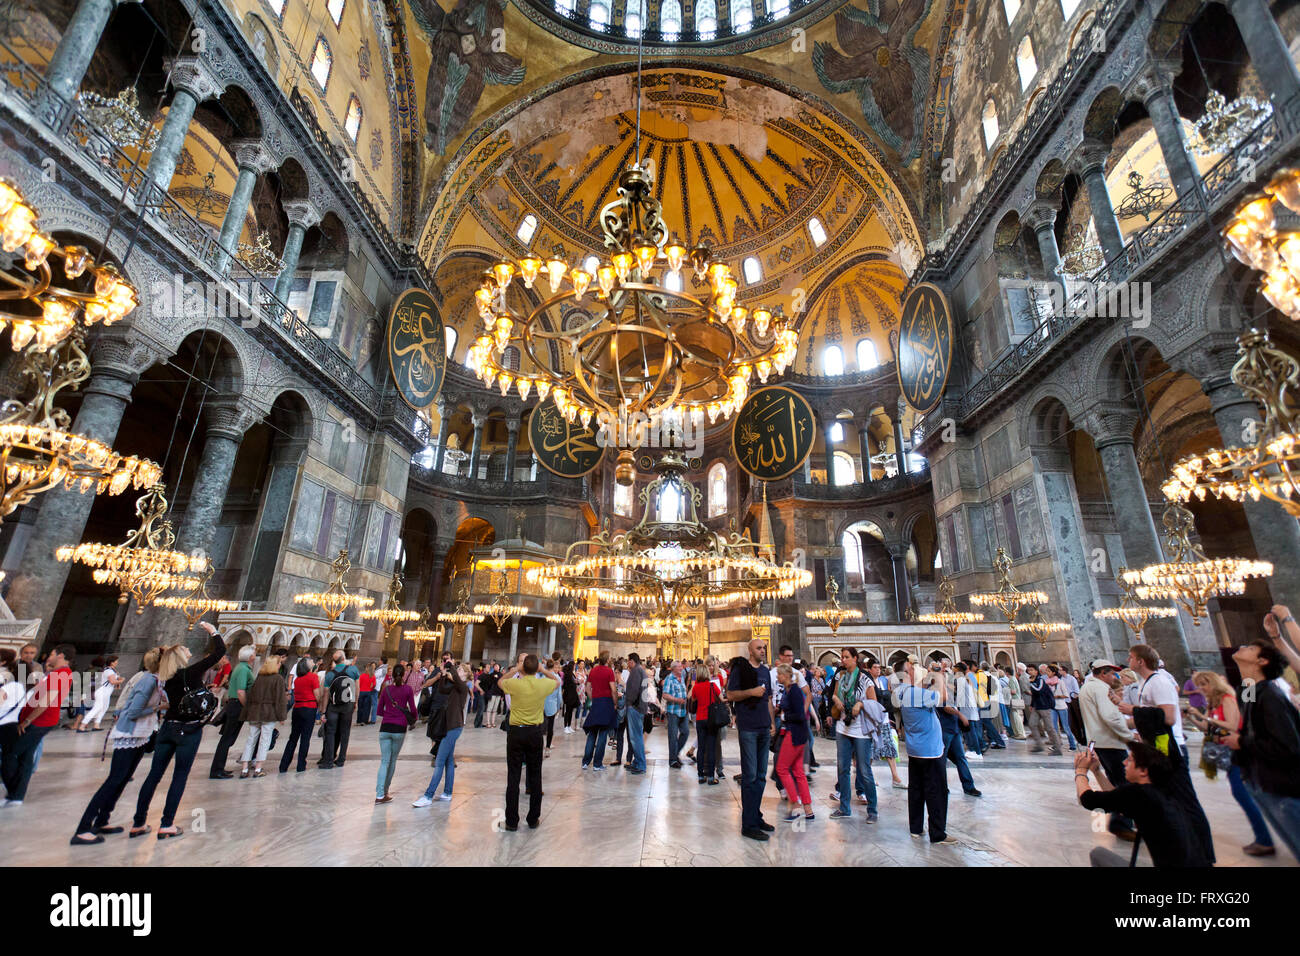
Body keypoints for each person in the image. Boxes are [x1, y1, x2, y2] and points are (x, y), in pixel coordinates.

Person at [1116, 643, 1215, 865]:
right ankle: (1183, 847)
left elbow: (1168, 717)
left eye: (1131, 657)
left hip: (1170, 746)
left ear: (1140, 661)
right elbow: (1151, 716)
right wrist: (1130, 721)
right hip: (1157, 746)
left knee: (1186, 801)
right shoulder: (1146, 682)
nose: (1128, 661)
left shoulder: (1160, 681)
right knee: (1169, 800)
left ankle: (1205, 854)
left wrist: (1133, 711)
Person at [131, 623, 227, 838]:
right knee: (179, 777)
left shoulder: (163, 678)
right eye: (185, 651)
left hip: (168, 728)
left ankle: (138, 823)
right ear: (180, 659)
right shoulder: (190, 673)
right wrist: (214, 631)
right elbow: (220, 652)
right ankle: (166, 825)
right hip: (189, 731)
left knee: (153, 776)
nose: (188, 653)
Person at [70, 648, 164, 845]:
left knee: (121, 779)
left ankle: (103, 820)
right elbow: (134, 711)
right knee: (115, 779)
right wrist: (159, 707)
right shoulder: (147, 679)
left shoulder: (156, 679)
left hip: (141, 734)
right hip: (130, 732)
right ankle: (83, 828)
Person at [1225, 631, 1300, 862]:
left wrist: (1241, 742)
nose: (1243, 646)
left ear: (1262, 661)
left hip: (1280, 783)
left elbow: (1288, 747)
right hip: (1261, 779)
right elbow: (1245, 713)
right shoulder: (1253, 688)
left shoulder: (1271, 696)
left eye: (1251, 647)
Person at [1075, 741, 1210, 868]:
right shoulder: (1161, 791)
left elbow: (1088, 800)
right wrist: (1097, 771)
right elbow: (1116, 798)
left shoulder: (1138, 793)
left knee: (1099, 855)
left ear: (1144, 771)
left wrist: (1080, 771)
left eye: (1130, 759)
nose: (1124, 762)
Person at [1187, 668, 1274, 856]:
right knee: (1245, 793)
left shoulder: (1227, 697)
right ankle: (1263, 837)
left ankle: (1264, 839)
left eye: (1204, 684)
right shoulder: (1212, 702)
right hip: (1225, 750)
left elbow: (1233, 725)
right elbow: (1208, 728)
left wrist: (1204, 717)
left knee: (1243, 793)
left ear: (1213, 682)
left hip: (1237, 750)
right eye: (1199, 685)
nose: (1201, 688)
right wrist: (1194, 718)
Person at [2, 644, 74, 806]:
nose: (49, 657)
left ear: (60, 656)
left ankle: (14, 791)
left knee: (11, 753)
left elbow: (47, 700)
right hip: (36, 719)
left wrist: (28, 720)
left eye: (52, 654)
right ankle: (16, 796)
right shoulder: (55, 673)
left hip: (40, 721)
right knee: (25, 756)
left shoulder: (62, 674)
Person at [498, 655, 561, 831]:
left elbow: (501, 682)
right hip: (535, 732)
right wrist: (542, 670)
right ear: (537, 669)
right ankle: (533, 819)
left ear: (523, 668)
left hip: (516, 732)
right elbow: (556, 681)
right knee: (535, 775)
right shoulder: (542, 684)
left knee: (513, 776)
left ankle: (511, 821)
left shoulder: (515, 684)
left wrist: (515, 670)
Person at [898, 658, 956, 844]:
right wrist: (938, 674)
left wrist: (928, 680)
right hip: (930, 750)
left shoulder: (902, 692)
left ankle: (916, 827)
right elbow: (943, 697)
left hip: (915, 748)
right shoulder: (913, 694)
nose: (915, 671)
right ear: (906, 673)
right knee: (936, 791)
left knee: (916, 788)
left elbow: (922, 693)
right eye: (911, 669)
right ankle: (938, 834)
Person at [1077, 658, 1136, 839]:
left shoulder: (1087, 687)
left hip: (1099, 740)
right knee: (1124, 784)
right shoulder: (1101, 688)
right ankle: (1122, 823)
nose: (1114, 676)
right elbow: (1110, 717)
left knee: (1116, 782)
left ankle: (1120, 822)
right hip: (1110, 741)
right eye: (1111, 673)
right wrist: (1129, 735)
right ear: (1102, 673)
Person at [726, 639, 772, 841]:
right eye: (759, 648)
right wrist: (751, 692)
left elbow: (768, 699)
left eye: (764, 648)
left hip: (763, 727)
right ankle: (748, 824)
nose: (762, 651)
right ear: (750, 650)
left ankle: (756, 815)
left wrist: (771, 722)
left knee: (761, 776)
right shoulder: (740, 669)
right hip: (748, 728)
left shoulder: (766, 672)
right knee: (750, 776)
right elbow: (730, 694)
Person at [829, 646, 877, 822]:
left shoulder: (865, 679)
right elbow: (834, 695)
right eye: (842, 657)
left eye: (847, 657)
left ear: (855, 659)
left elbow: (874, 703)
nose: (843, 660)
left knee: (864, 770)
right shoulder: (840, 677)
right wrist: (836, 700)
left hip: (860, 730)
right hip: (843, 726)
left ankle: (872, 810)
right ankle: (844, 807)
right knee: (843, 768)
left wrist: (861, 705)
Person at [413, 662, 470, 805]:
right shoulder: (453, 685)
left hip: (454, 726)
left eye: (461, 670)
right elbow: (443, 689)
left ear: (467, 675)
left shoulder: (463, 687)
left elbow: (457, 679)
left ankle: (428, 796)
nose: (458, 671)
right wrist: (444, 675)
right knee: (448, 761)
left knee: (439, 762)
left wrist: (451, 670)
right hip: (447, 725)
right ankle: (447, 792)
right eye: (458, 669)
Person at [371, 663, 418, 804]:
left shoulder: (386, 690)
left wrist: (389, 714)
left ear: (392, 675)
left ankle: (379, 795)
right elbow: (413, 710)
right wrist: (408, 717)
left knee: (384, 761)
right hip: (399, 728)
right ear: (404, 675)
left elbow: (379, 711)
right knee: (392, 760)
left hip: (385, 727)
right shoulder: (408, 689)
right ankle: (385, 791)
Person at [774, 663, 814, 822]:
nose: (777, 677)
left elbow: (799, 714)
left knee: (782, 768)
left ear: (785, 675)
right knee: (798, 772)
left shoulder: (795, 691)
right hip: (798, 734)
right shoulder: (789, 690)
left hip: (794, 734)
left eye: (779, 674)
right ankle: (808, 809)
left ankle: (795, 804)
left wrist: (784, 716)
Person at [209, 643, 254, 779]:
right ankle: (217, 770)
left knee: (228, 739)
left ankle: (219, 767)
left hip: (234, 705)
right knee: (227, 739)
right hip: (237, 706)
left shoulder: (241, 667)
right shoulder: (243, 670)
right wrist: (246, 708)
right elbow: (241, 692)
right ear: (250, 656)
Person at [238, 655, 287, 779]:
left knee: (251, 739)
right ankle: (258, 768)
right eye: (278, 663)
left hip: (255, 712)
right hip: (268, 713)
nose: (280, 665)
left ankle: (244, 768)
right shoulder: (278, 678)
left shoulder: (259, 678)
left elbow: (251, 695)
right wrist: (282, 716)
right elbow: (280, 699)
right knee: (264, 740)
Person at [318, 650, 359, 769]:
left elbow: (325, 693)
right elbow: (357, 687)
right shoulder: (353, 670)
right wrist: (356, 702)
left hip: (334, 706)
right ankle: (341, 759)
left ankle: (328, 761)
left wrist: (324, 709)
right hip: (348, 705)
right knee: (345, 733)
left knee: (330, 733)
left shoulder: (330, 674)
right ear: (344, 658)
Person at [280, 657, 320, 774]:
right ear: (308, 666)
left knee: (293, 737)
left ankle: (284, 765)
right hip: (309, 708)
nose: (313, 662)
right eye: (311, 661)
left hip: (297, 709)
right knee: (305, 738)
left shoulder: (297, 680)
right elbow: (316, 694)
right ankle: (301, 765)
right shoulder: (313, 677)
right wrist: (320, 704)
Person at [581, 650, 618, 770]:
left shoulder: (593, 670)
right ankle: (597, 764)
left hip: (596, 702)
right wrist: (615, 703)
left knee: (592, 733)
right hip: (606, 703)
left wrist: (593, 698)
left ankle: (585, 762)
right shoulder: (609, 671)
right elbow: (613, 689)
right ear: (607, 660)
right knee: (603, 733)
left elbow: (587, 687)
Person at [690, 663, 722, 784]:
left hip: (700, 719)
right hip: (711, 719)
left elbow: (693, 701)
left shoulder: (696, 687)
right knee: (711, 748)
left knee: (701, 748)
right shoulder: (713, 686)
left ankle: (700, 776)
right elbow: (721, 699)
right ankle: (710, 777)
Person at [1026, 664, 1063, 755]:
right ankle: (1039, 745)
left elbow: (1039, 690)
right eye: (1028, 670)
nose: (1030, 672)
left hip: (1044, 706)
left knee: (1049, 727)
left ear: (1036, 671)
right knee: (1032, 724)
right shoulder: (1033, 681)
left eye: (1031, 670)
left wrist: (1031, 684)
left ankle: (1057, 747)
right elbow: (1034, 694)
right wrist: (1032, 704)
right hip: (1037, 706)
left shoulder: (1040, 680)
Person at [80, 654, 122, 733]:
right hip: (103, 691)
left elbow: (115, 683)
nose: (117, 662)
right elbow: (112, 681)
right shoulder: (108, 670)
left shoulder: (112, 670)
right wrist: (120, 680)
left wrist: (118, 681)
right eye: (116, 661)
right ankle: (82, 725)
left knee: (104, 708)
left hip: (106, 692)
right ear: (112, 662)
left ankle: (96, 725)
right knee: (97, 708)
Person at [662, 660, 689, 768]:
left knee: (685, 732)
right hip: (673, 711)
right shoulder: (669, 679)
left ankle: (675, 753)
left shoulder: (681, 677)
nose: (681, 668)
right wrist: (677, 700)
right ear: (673, 669)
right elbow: (665, 695)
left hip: (683, 710)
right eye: (679, 667)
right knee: (673, 736)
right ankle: (672, 760)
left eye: (681, 667)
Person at [561, 661, 580, 734]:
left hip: (572, 694)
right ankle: (565, 726)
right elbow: (566, 684)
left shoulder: (572, 674)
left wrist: (577, 682)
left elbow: (575, 681)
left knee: (571, 711)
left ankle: (569, 726)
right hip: (568, 695)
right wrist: (575, 682)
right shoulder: (567, 675)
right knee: (567, 711)